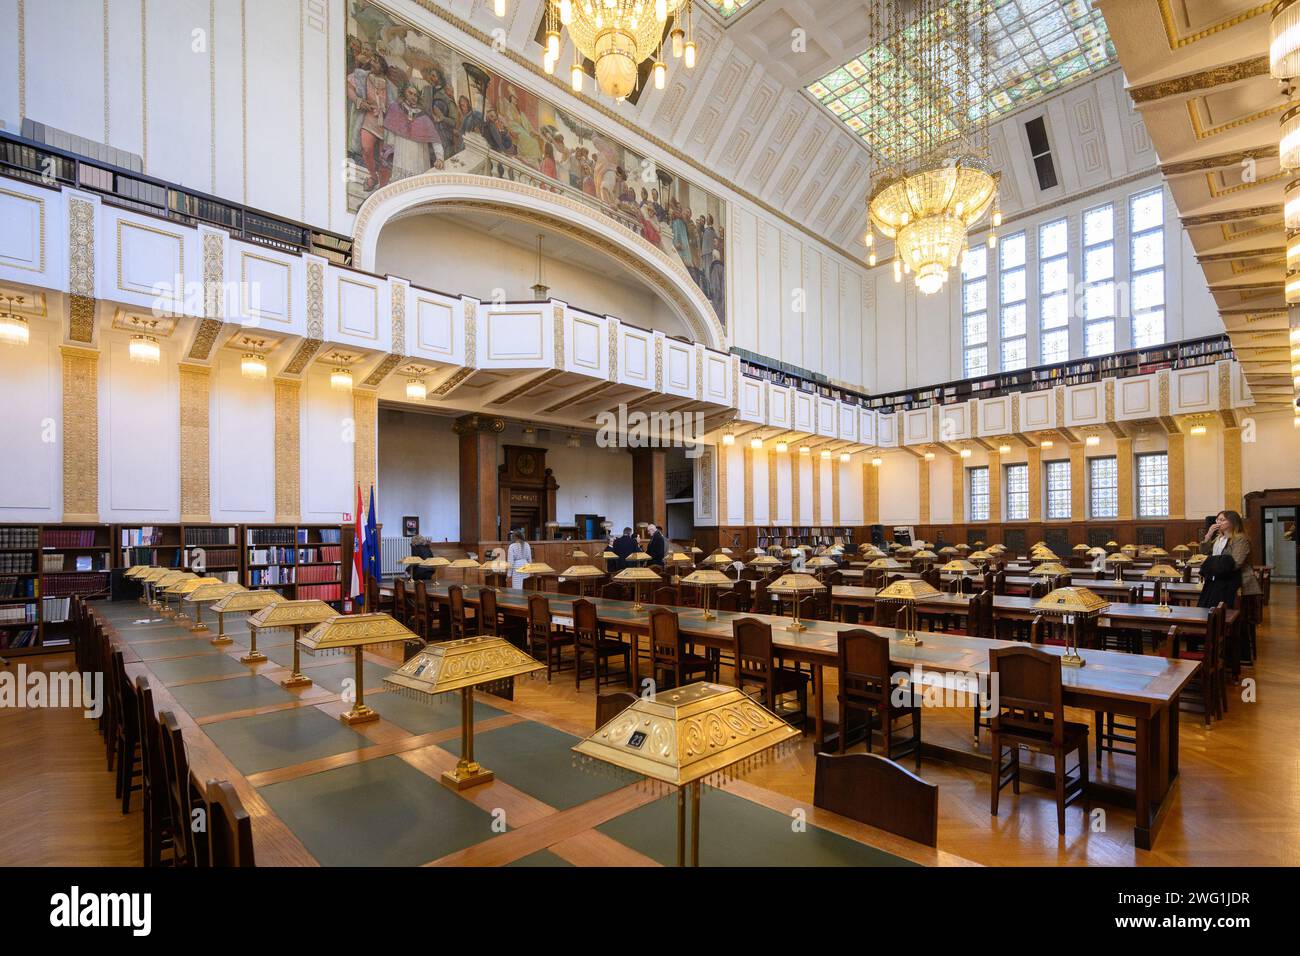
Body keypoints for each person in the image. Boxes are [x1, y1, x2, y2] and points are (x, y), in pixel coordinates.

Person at [1197, 510, 1259, 610]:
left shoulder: (1240, 538)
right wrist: (1209, 534)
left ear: (1232, 522)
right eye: (1217, 519)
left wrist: (1212, 565)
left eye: (1222, 520)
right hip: (1220, 578)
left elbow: (1237, 562)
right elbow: (1204, 551)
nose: (1218, 522)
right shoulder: (1219, 538)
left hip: (1238, 580)